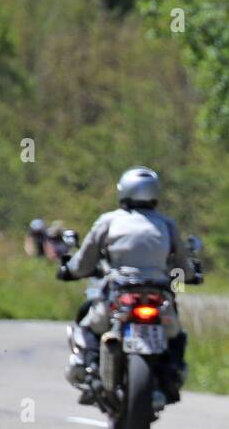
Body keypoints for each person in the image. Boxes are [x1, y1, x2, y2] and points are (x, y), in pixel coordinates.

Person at [57, 167, 190, 403]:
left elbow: (85, 259)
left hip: (120, 295)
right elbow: (182, 262)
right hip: (158, 296)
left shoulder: (110, 221)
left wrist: (69, 270)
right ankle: (171, 372)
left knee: (87, 326)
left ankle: (89, 368)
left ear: (124, 190)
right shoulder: (167, 224)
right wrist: (190, 274)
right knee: (177, 334)